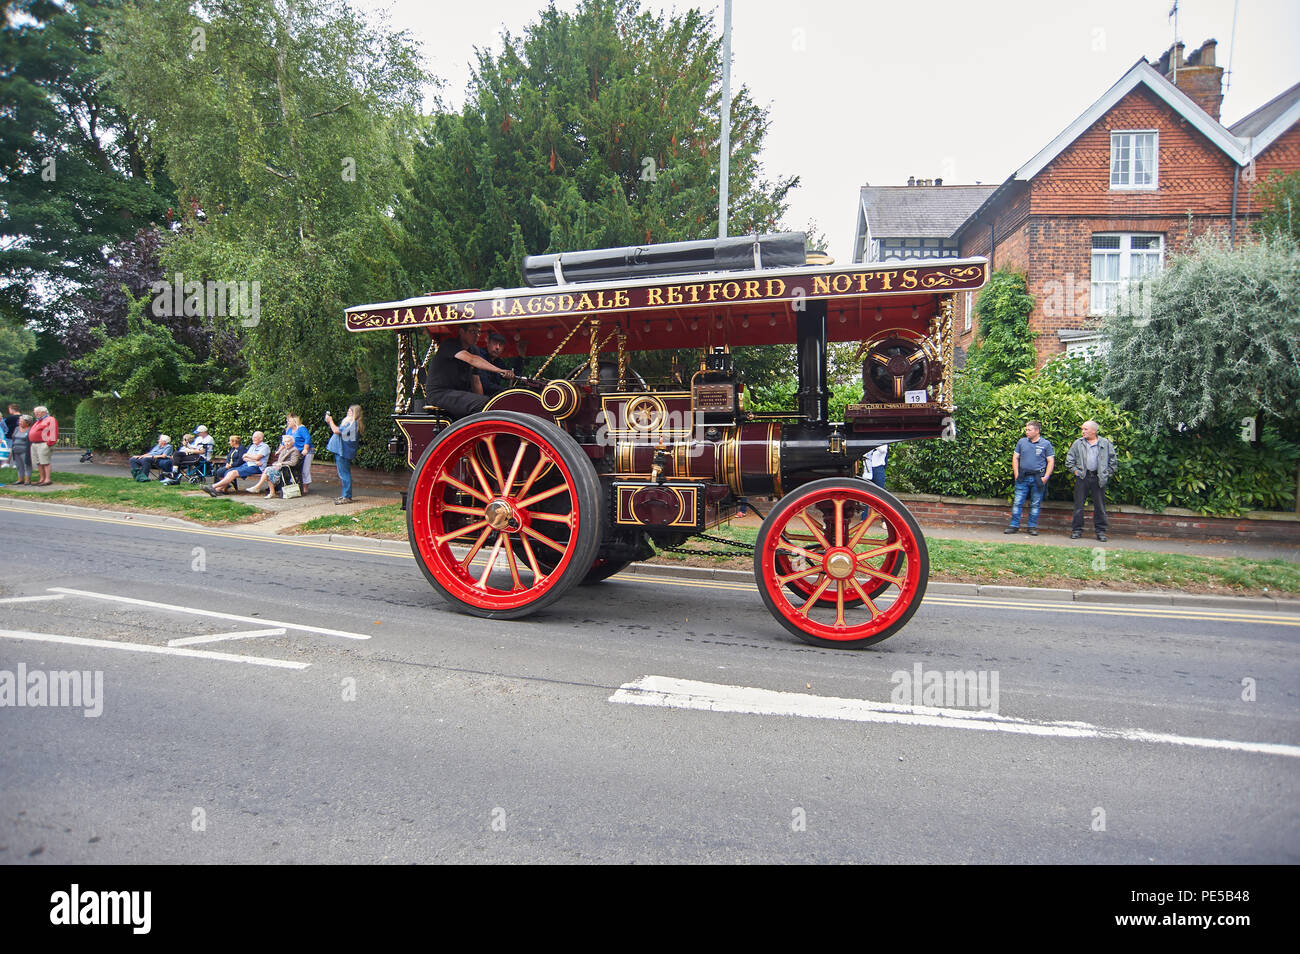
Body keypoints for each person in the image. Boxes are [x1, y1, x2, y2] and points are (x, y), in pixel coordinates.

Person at [425, 323, 516, 418]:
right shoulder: (450, 345)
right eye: (473, 332)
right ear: (461, 332)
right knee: (483, 403)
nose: (476, 335)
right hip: (439, 393)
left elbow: (476, 380)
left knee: (486, 402)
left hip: (457, 393)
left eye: (478, 332)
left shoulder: (474, 350)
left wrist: (482, 400)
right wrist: (500, 371)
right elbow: (472, 359)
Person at [1065, 419, 1118, 542]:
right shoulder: (1078, 443)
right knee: (1078, 506)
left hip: (1098, 478)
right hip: (1082, 478)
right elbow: (1069, 460)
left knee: (1100, 506)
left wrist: (1106, 473)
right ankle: (1077, 531)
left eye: (1085, 429)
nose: (1082, 431)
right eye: (1082, 429)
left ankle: (1101, 532)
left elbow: (1113, 462)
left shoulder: (1105, 443)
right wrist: (1076, 471)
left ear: (1094, 431)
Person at [1004, 421, 1055, 536]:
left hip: (1038, 478)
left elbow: (1051, 461)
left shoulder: (1046, 444)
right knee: (1017, 502)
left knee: (1036, 504)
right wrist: (1016, 474)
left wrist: (1046, 477)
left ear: (1037, 431)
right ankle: (1014, 525)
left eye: (1029, 430)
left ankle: (1032, 527)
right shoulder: (1021, 442)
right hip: (1022, 477)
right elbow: (1015, 458)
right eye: (1026, 430)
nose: (1026, 432)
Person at [205, 430, 268, 495]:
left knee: (233, 473)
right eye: (253, 437)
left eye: (255, 437)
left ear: (261, 438)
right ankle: (218, 489)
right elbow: (244, 457)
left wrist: (250, 457)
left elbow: (257, 457)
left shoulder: (265, 447)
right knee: (229, 472)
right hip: (248, 465)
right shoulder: (253, 446)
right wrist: (253, 459)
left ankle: (213, 487)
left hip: (256, 467)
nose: (253, 438)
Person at [324, 405, 363, 504]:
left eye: (351, 412)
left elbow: (336, 431)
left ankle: (347, 496)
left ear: (355, 413)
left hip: (343, 452)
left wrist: (330, 421)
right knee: (343, 474)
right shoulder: (352, 424)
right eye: (348, 411)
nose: (348, 413)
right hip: (343, 451)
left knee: (344, 474)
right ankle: (345, 495)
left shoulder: (353, 424)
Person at [244, 433, 300, 498]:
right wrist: (276, 463)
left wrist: (281, 464)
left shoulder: (294, 450)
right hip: (280, 468)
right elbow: (279, 461)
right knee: (268, 471)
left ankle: (259, 487)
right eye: (285, 442)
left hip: (287, 470)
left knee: (268, 471)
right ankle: (270, 492)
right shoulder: (284, 450)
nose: (287, 443)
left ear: (292, 442)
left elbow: (293, 462)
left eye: (288, 442)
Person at [476, 332, 525, 397]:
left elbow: (515, 376)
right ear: (488, 342)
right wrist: (507, 391)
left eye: (501, 345)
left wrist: (521, 355)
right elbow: (485, 385)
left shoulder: (498, 362)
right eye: (495, 343)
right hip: (476, 399)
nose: (497, 347)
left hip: (490, 399)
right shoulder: (479, 355)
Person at [27, 405, 57, 486]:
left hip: (43, 443)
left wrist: (49, 443)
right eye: (35, 412)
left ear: (44, 412)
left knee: (45, 462)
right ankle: (42, 478)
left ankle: (47, 479)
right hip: (35, 444)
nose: (35, 414)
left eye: (37, 412)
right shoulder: (38, 421)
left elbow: (53, 431)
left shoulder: (50, 419)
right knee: (38, 462)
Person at [285, 413, 313, 495]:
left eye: (289, 420)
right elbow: (285, 441)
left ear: (294, 421)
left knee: (305, 470)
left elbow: (307, 438)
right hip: (295, 452)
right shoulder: (289, 430)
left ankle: (305, 487)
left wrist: (305, 449)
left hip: (306, 452)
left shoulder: (301, 428)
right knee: (294, 468)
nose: (287, 422)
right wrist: (280, 451)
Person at [8, 414, 32, 485]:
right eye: (19, 421)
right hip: (16, 450)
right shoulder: (17, 428)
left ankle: (27, 480)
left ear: (27, 422)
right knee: (18, 465)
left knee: (26, 465)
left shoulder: (30, 429)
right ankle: (20, 479)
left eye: (21, 421)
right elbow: (13, 437)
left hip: (25, 450)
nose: (19, 422)